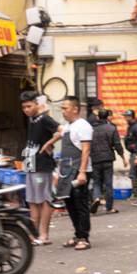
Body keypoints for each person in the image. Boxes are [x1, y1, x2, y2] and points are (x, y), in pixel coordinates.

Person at [44, 94, 94, 250]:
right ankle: (77, 234)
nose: (63, 112)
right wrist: (49, 143)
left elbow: (86, 151)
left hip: (80, 170)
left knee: (80, 205)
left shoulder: (83, 126)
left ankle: (84, 238)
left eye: (65, 109)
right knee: (70, 204)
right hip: (66, 170)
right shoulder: (68, 126)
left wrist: (82, 173)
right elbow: (60, 135)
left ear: (75, 109)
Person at [20, 90, 59, 245]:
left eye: (29, 106)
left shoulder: (44, 119)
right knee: (32, 201)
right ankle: (33, 234)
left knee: (44, 200)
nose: (26, 110)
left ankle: (44, 235)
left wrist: (49, 144)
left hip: (43, 165)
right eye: (23, 107)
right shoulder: (33, 119)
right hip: (31, 163)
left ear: (37, 104)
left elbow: (61, 130)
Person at [89, 107, 125, 214]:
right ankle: (109, 208)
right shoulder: (111, 128)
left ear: (98, 116)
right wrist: (123, 157)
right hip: (108, 159)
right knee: (108, 183)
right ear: (107, 116)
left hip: (95, 159)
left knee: (96, 182)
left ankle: (96, 198)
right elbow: (117, 144)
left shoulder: (91, 129)